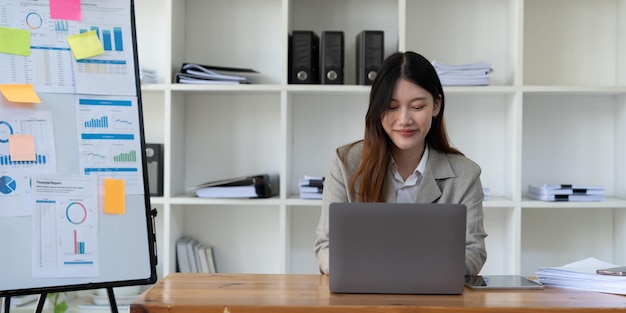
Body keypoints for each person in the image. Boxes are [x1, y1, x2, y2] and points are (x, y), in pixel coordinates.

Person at [313, 51, 487, 276]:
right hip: (363, 298)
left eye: (416, 107)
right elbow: (326, 247)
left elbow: (473, 251)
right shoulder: (346, 164)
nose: (404, 120)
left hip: (434, 302)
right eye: (392, 107)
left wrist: (410, 274)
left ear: (436, 106)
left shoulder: (465, 174)